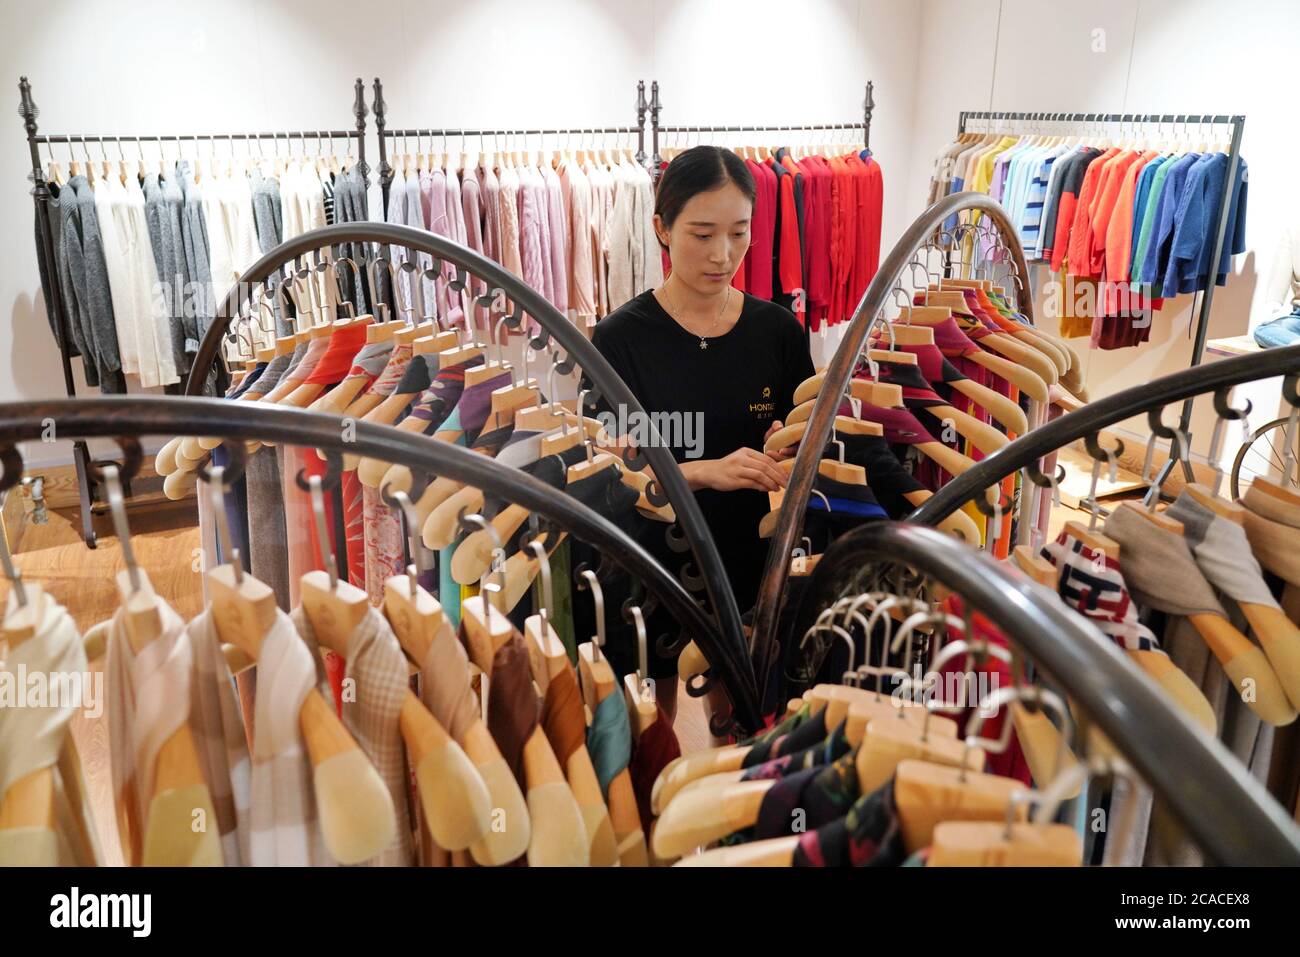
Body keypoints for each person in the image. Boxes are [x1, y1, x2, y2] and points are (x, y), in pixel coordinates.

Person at [584, 145, 815, 722]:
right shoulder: (620, 341)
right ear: (661, 228)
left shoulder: (778, 333)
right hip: (655, 560)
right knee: (649, 724)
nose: (724, 254)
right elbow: (608, 479)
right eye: (703, 234)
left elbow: (804, 448)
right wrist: (705, 471)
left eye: (739, 233)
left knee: (744, 717)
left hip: (750, 557)